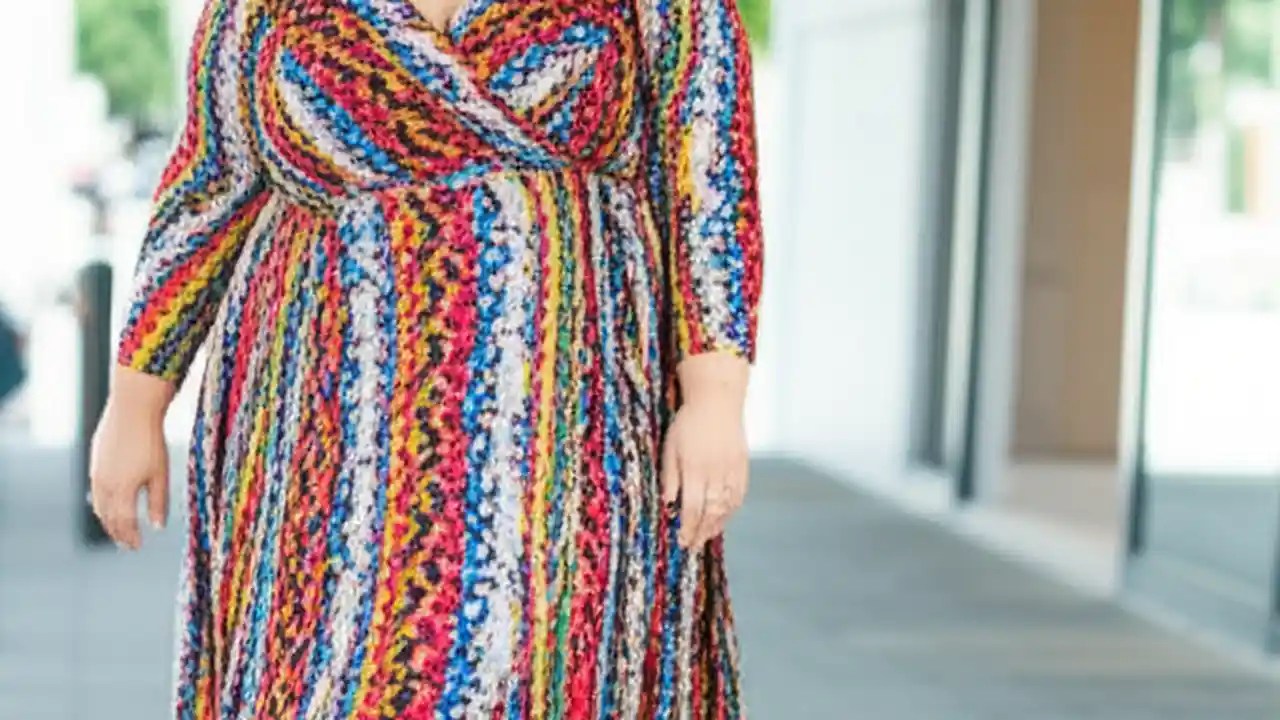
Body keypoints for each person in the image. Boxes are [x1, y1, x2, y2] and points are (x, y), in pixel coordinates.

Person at [89, 0, 763, 716]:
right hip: (320, 447)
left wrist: (716, 395)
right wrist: (134, 403)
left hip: (569, 438)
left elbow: (709, 174)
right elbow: (207, 187)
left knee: (548, 678)